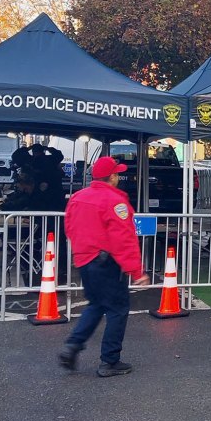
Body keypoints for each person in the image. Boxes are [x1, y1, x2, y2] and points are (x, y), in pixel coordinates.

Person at [58, 157, 150, 377]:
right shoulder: (116, 201)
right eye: (117, 173)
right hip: (106, 262)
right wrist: (136, 271)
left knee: (96, 304)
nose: (118, 177)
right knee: (117, 309)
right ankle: (109, 361)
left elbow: (69, 227)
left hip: (85, 260)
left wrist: (82, 251)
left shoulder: (78, 197)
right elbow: (124, 239)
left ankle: (73, 345)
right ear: (113, 177)